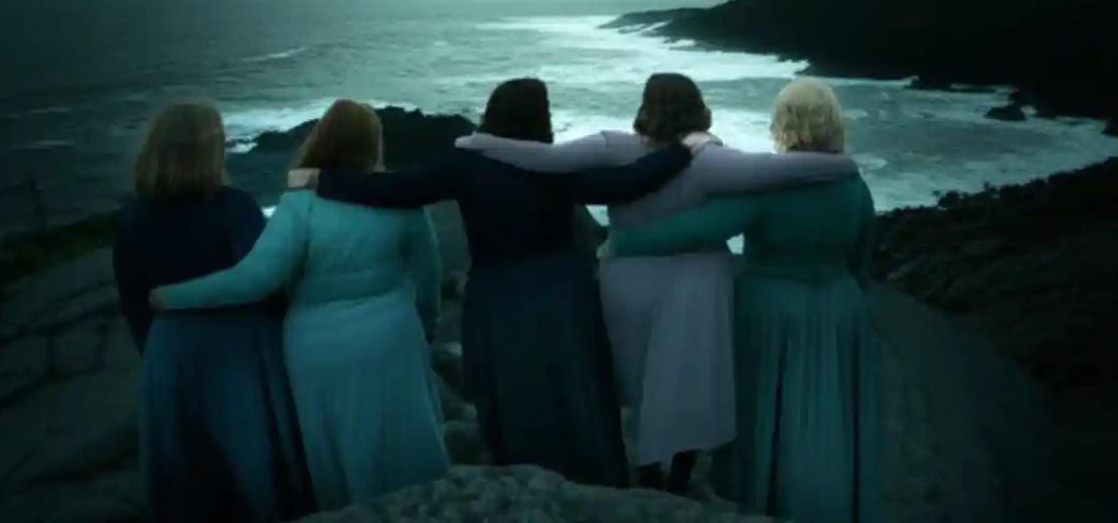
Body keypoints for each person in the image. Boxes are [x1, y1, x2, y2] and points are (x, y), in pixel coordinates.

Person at [288, 77, 704, 488]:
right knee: (577, 398)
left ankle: (524, 486)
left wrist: (317, 181)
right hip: (562, 294)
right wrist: (684, 150)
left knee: (513, 399)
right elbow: (622, 186)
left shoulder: (466, 162)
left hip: (498, 298)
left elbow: (396, 188)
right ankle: (594, 485)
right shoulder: (548, 163)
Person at [454, 72, 859, 493]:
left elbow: (544, 159)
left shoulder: (614, 147)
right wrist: (844, 164)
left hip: (627, 284)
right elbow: (777, 171)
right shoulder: (709, 158)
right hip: (697, 284)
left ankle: (643, 470)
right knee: (688, 383)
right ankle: (678, 477)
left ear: (647, 105)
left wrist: (477, 144)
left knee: (637, 383)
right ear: (698, 106)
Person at [604, 77, 885, 522]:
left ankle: (770, 501)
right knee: (832, 415)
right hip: (839, 308)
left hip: (770, 311)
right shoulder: (855, 186)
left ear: (784, 124)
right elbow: (863, 259)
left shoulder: (768, 188)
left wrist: (622, 243)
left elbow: (699, 228)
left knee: (768, 414)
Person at [150, 100, 449, 509]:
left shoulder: (299, 205)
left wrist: (171, 296)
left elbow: (254, 280)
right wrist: (426, 327)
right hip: (392, 336)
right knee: (406, 447)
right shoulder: (401, 199)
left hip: (317, 348)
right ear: (373, 144)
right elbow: (428, 275)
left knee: (338, 457)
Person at [112, 102, 312, 523]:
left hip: (170, 351)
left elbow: (133, 302)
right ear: (210, 150)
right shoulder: (233, 207)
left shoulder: (131, 217)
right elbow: (265, 281)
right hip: (236, 347)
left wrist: (158, 359)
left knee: (189, 475)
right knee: (252, 464)